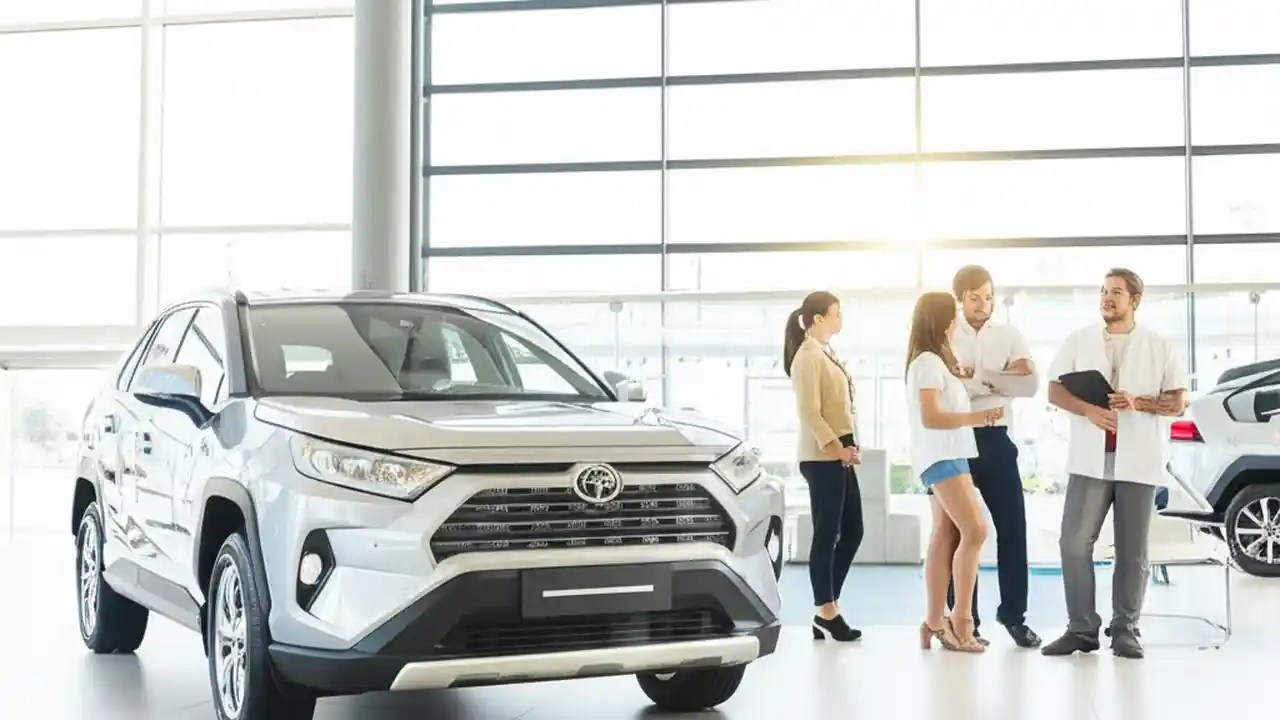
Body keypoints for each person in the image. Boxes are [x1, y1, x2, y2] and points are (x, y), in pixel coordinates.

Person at [1041, 268, 1188, 660]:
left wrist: (1139, 403)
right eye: (1103, 291)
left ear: (1135, 300)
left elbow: (1177, 403)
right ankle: (1082, 628)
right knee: (1073, 543)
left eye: (1117, 292)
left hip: (1138, 460)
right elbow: (1054, 389)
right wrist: (1089, 410)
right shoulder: (1079, 340)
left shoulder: (1160, 345)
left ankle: (1125, 630)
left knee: (1132, 551)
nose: (1107, 298)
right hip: (1090, 460)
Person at [945, 266, 1042, 649]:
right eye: (974, 297)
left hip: (998, 441)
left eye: (988, 297)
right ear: (960, 298)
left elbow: (1031, 385)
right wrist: (1002, 380)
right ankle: (965, 619)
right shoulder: (946, 336)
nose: (983, 304)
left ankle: (1014, 616)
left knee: (1012, 529)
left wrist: (977, 376)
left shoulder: (1009, 335)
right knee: (959, 534)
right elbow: (949, 393)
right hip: (956, 441)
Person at [905, 291, 1001, 654]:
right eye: (953, 314)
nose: (957, 320)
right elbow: (931, 417)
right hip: (943, 456)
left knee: (944, 534)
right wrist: (976, 418)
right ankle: (962, 622)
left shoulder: (932, 361)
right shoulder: (928, 362)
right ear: (943, 319)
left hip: (949, 455)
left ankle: (933, 620)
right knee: (975, 530)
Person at [785, 291, 864, 642]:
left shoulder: (825, 352)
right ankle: (827, 610)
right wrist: (836, 448)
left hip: (839, 452)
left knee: (853, 530)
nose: (840, 317)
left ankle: (827, 605)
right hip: (822, 456)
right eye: (836, 312)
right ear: (818, 318)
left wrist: (849, 447)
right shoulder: (807, 356)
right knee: (828, 533)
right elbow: (809, 413)